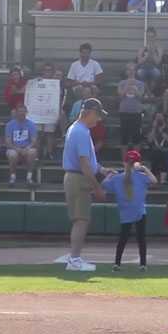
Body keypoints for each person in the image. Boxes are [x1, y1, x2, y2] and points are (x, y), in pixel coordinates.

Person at [63, 98, 113, 272]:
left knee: (81, 219)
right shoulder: (81, 132)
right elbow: (84, 164)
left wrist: (102, 169)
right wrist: (97, 187)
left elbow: (88, 162)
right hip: (78, 178)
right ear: (89, 112)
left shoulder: (77, 129)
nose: (98, 120)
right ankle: (74, 260)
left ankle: (75, 258)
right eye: (97, 115)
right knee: (81, 220)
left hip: (75, 177)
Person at [103, 150, 157, 272]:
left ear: (124, 162)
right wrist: (144, 169)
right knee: (141, 239)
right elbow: (154, 180)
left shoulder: (117, 178)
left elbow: (104, 184)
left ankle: (117, 264)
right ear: (137, 163)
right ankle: (143, 264)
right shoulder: (141, 177)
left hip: (125, 213)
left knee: (123, 239)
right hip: (139, 212)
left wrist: (110, 174)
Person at [32, 63, 63, 160]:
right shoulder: (36, 82)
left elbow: (59, 97)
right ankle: (37, 153)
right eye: (46, 70)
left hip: (50, 111)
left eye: (49, 70)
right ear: (42, 71)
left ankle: (49, 154)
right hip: (37, 111)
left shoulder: (55, 83)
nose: (47, 72)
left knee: (50, 133)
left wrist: (57, 112)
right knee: (38, 133)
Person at [5, 104, 38, 186]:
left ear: (26, 113)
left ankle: (29, 177)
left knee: (32, 152)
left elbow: (34, 140)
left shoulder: (31, 124)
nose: (21, 113)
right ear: (16, 113)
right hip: (14, 148)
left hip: (26, 147)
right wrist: (17, 149)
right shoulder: (9, 125)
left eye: (23, 112)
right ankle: (12, 177)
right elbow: (8, 141)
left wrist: (27, 148)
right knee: (12, 154)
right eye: (20, 112)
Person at [118, 62, 146, 157]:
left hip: (136, 112)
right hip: (124, 112)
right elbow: (120, 96)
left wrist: (135, 89)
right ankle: (124, 161)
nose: (130, 72)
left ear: (135, 71)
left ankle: (136, 161)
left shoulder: (140, 84)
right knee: (124, 138)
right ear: (126, 72)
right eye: (129, 70)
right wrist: (127, 86)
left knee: (136, 138)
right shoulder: (121, 83)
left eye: (132, 70)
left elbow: (141, 97)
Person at [146, 112, 168, 184]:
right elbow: (149, 140)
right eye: (157, 117)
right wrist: (153, 128)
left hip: (166, 148)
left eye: (160, 117)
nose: (158, 119)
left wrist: (162, 131)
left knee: (164, 153)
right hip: (154, 149)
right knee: (155, 153)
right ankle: (154, 178)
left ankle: (163, 179)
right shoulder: (151, 127)